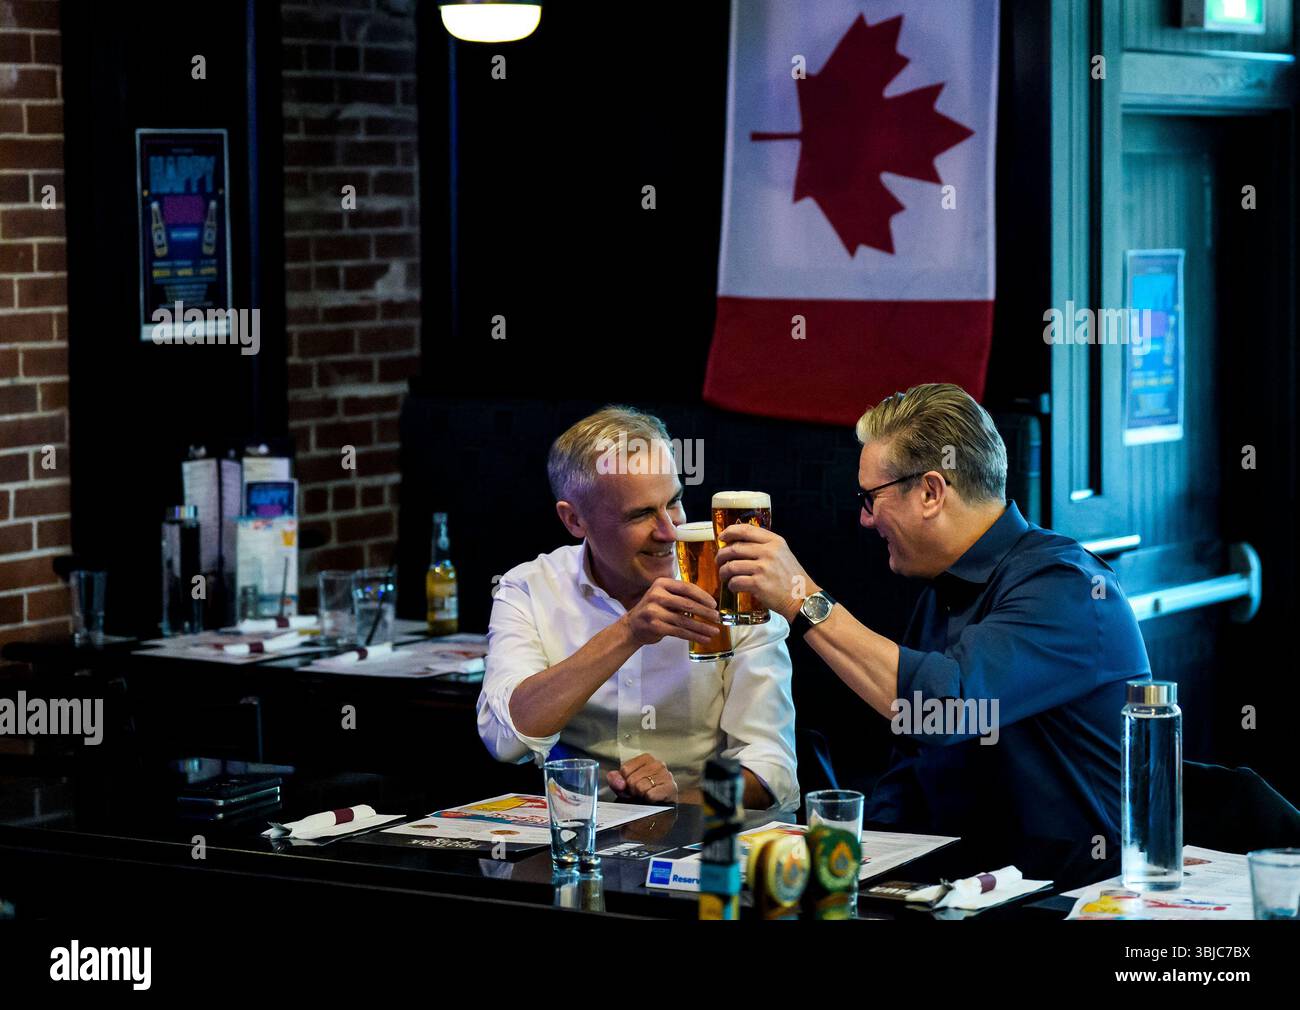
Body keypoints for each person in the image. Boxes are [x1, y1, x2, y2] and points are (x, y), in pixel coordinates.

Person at [715, 383, 1151, 845]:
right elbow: (910, 770)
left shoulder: (1068, 587)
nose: (865, 519)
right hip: (960, 885)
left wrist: (802, 599)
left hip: (1069, 898)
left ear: (930, 492)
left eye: (871, 497)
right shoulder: (943, 590)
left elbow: (945, 709)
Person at [477, 406, 799, 811]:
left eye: (675, 502)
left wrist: (679, 798)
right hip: (584, 841)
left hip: (709, 843)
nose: (669, 531)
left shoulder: (736, 589)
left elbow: (772, 773)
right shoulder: (528, 587)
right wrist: (628, 633)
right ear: (575, 519)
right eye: (642, 514)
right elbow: (506, 740)